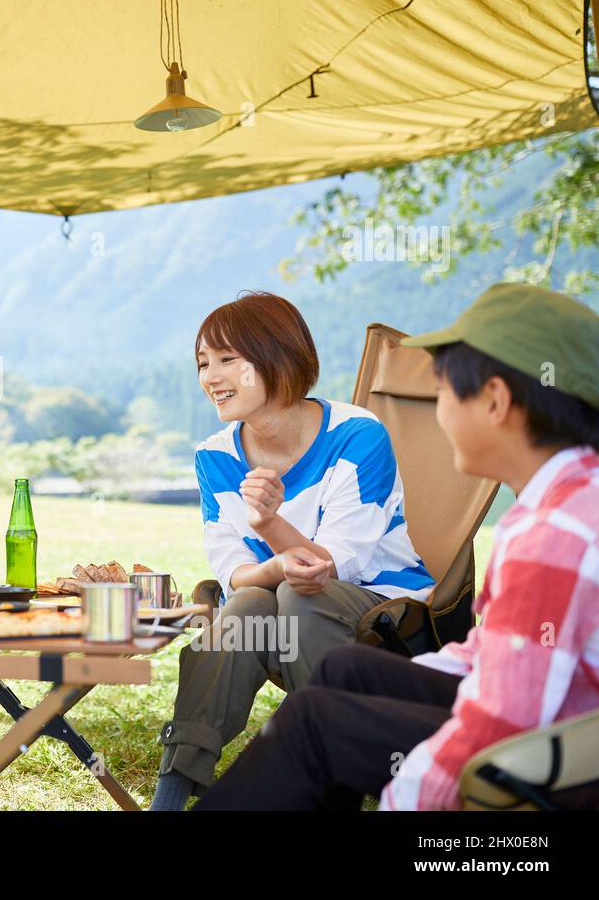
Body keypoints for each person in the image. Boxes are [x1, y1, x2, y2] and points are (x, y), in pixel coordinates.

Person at [195, 282, 599, 810]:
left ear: (496, 402)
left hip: (561, 764)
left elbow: (505, 721)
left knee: (317, 720)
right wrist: (379, 689)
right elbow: (494, 656)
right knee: (344, 675)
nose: (439, 413)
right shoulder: (566, 499)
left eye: (447, 390)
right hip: (563, 724)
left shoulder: (554, 534)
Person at [150, 291, 434, 810]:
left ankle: (329, 785)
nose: (211, 377)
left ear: (277, 355)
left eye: (228, 360)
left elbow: (328, 567)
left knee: (299, 599)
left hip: (383, 603)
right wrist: (273, 563)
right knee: (244, 608)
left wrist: (268, 524)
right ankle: (172, 789)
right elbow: (232, 567)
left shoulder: (357, 435)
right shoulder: (215, 456)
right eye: (203, 363)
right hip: (283, 602)